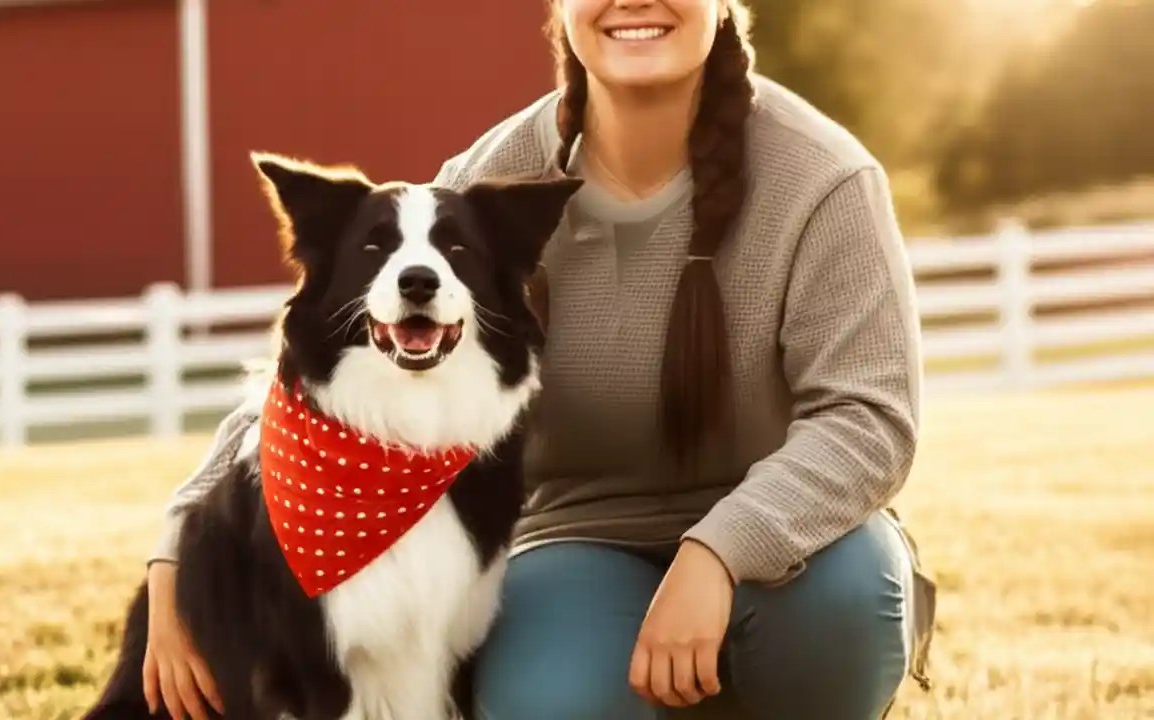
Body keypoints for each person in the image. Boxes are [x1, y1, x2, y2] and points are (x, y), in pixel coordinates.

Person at [141, 0, 937, 718]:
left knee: (848, 607)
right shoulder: (486, 185)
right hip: (575, 542)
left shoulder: (824, 179)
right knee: (548, 704)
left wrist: (718, 550)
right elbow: (320, 372)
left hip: (791, 553)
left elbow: (869, 418)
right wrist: (179, 533)